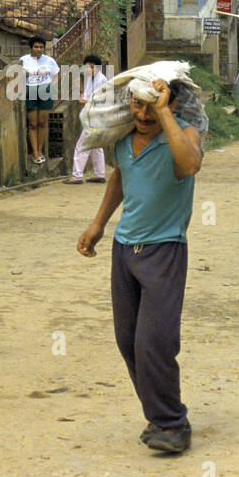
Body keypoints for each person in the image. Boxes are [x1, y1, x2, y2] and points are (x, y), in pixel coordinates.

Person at [77, 78, 204, 454]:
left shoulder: (184, 134)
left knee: (155, 342)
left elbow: (190, 165)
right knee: (129, 341)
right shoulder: (123, 139)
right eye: (137, 104)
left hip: (165, 250)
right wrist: (99, 223)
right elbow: (121, 176)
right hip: (124, 250)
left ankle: (173, 424)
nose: (143, 114)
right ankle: (159, 414)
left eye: (152, 105)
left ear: (172, 101)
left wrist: (165, 112)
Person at [68, 54, 109, 184]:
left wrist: (84, 99)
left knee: (82, 145)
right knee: (95, 146)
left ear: (98, 68)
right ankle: (99, 174)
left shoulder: (101, 80)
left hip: (96, 116)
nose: (88, 69)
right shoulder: (90, 79)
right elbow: (85, 96)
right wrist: (80, 91)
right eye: (87, 67)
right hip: (92, 116)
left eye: (91, 67)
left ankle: (77, 176)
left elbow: (98, 99)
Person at [21, 36, 59, 165]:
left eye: (41, 47)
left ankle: (40, 150)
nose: (39, 49)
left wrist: (53, 86)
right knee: (32, 123)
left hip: (45, 91)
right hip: (30, 91)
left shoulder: (49, 61)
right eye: (36, 47)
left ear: (44, 48)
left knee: (42, 122)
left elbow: (57, 74)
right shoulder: (23, 60)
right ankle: (34, 152)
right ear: (31, 48)